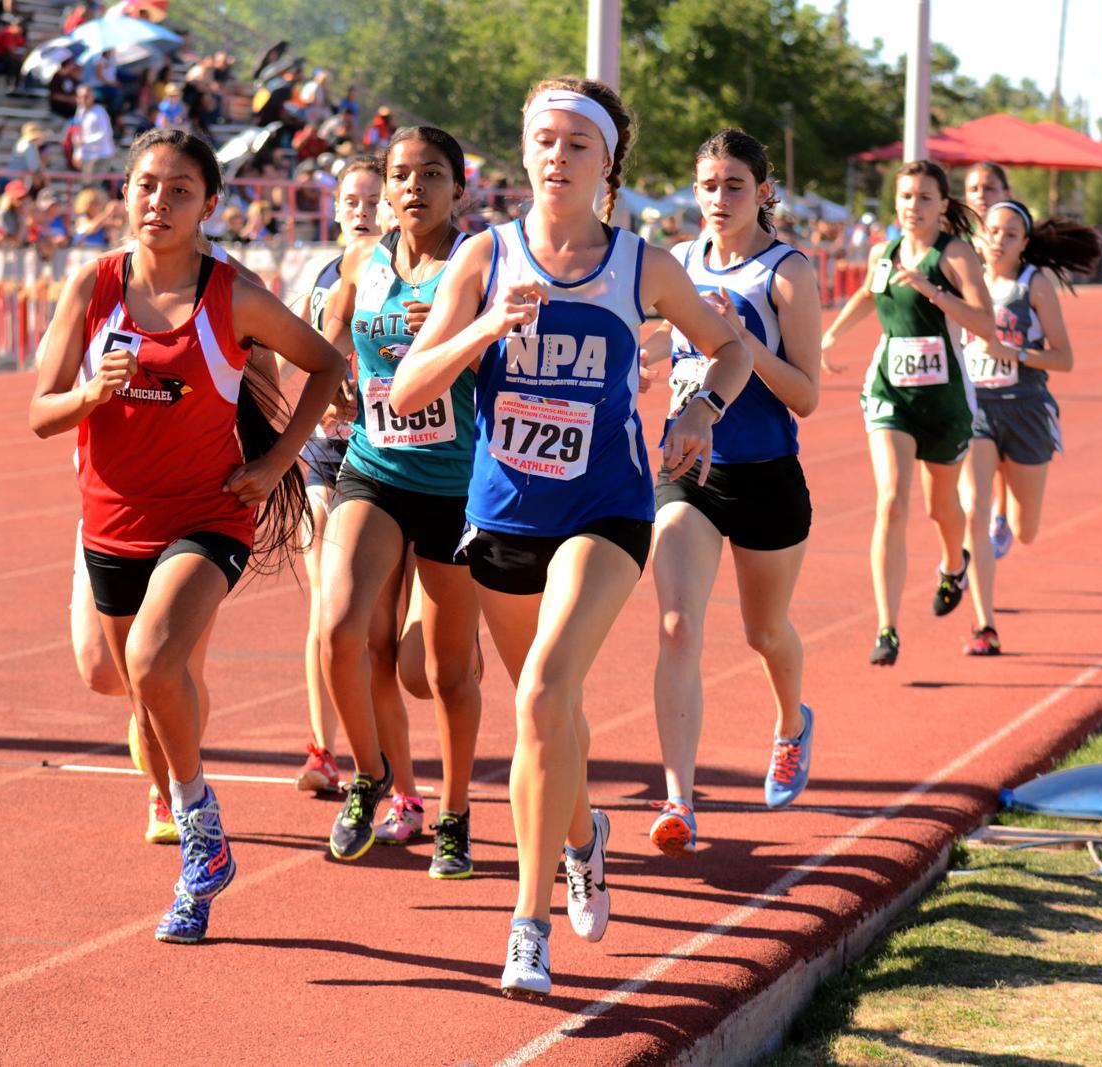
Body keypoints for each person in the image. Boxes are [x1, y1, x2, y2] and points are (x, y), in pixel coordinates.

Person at [390, 76, 751, 999]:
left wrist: (703, 409)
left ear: (607, 164)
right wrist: (483, 329)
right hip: (505, 513)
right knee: (553, 717)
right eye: (543, 142)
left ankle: (527, 926)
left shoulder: (644, 265)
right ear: (525, 153)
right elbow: (407, 392)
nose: (556, 158)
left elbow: (733, 346)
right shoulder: (484, 255)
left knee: (545, 690)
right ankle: (585, 833)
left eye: (576, 145)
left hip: (607, 509)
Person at [29, 127, 345, 944]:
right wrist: (93, 395)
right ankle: (178, 780)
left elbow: (326, 364)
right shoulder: (91, 287)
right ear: (123, 194)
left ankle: (199, 832)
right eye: (144, 186)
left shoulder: (230, 294)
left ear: (210, 204)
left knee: (153, 662)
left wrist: (278, 461)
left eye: (177, 190)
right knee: (116, 678)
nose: (157, 203)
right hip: (110, 521)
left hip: (208, 515)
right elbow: (39, 413)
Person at [641, 128, 822, 857]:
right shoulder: (676, 262)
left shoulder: (787, 273)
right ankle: (678, 798)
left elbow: (806, 394)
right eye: (709, 184)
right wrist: (643, 354)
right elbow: (665, 343)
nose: (719, 199)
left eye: (735, 186)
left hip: (766, 474)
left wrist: (739, 338)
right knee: (678, 624)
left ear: (763, 191)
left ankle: (790, 722)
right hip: (687, 466)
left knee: (763, 632)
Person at [320, 126, 483, 879]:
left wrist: (454, 334)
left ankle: (453, 815)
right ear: (384, 190)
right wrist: (335, 392)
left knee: (449, 673)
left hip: (455, 488)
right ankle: (369, 774)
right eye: (401, 175)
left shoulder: (476, 264)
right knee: (343, 632)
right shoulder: (362, 261)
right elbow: (328, 348)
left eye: (431, 174)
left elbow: (515, 349)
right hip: (374, 467)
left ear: (460, 189)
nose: (414, 187)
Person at [821, 160, 995, 666]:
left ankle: (951, 563)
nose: (912, 207)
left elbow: (985, 325)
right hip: (889, 392)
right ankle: (887, 628)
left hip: (945, 402)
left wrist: (932, 290)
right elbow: (867, 293)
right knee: (892, 501)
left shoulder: (956, 254)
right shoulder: (885, 251)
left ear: (943, 204)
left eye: (923, 197)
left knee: (941, 510)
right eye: (905, 197)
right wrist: (830, 335)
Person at [959, 201, 1102, 655]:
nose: (999, 240)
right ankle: (985, 625)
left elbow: (1065, 358)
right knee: (973, 513)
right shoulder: (962, 279)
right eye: (993, 231)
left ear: (1024, 245)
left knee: (1026, 530)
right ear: (980, 237)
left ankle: (1007, 514)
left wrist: (1013, 353)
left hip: (1026, 410)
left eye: (1010, 234)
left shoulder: (1033, 285)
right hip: (977, 408)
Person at [290, 154, 385, 795]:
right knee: (323, 602)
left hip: (387, 455)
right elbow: (291, 347)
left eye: (372, 199)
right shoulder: (319, 276)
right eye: (350, 199)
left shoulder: (403, 274)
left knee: (376, 622)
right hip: (324, 454)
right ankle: (321, 748)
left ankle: (377, 746)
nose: (360, 210)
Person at [962, 161, 1017, 560]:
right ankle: (969, 545)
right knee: (971, 452)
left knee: (998, 457)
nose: (982, 195)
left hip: (1009, 371)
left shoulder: (1016, 238)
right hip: (966, 362)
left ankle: (1000, 512)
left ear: (1005, 193)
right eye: (974, 188)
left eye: (990, 188)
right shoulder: (954, 241)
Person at [72, 85, 116, 176]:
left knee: (96, 187)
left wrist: (84, 141)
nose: (83, 100)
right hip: (87, 156)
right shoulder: (80, 112)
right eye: (80, 97)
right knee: (86, 186)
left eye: (86, 96)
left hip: (101, 155)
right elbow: (79, 133)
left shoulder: (100, 112)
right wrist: (77, 153)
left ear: (92, 97)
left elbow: (104, 135)